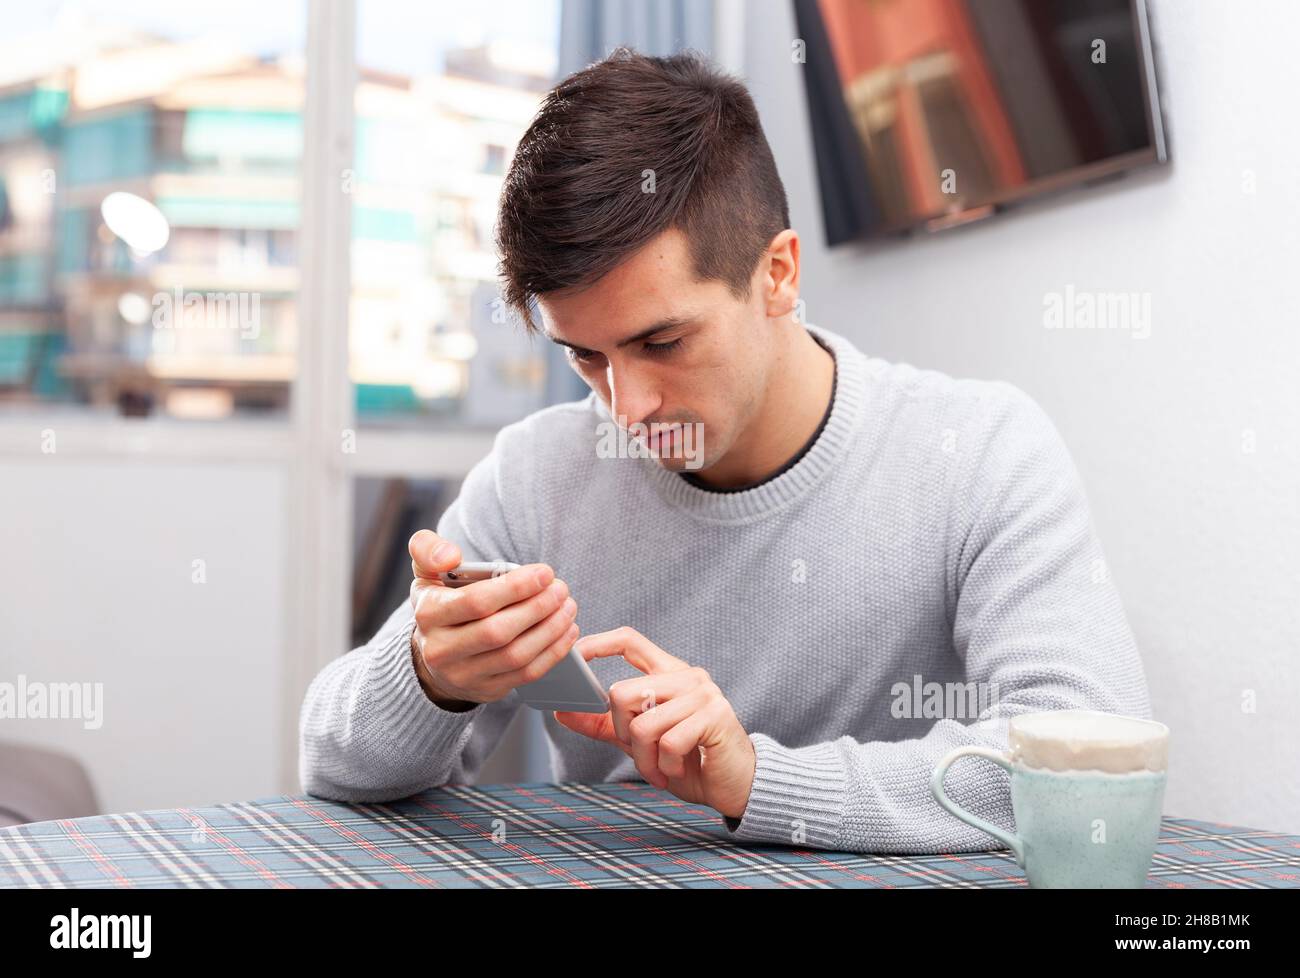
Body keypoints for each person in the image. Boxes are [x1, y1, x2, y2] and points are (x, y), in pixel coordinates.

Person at [298, 47, 1151, 854]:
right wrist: (429, 674)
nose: (627, 407)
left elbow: (1088, 758)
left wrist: (762, 781)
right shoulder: (539, 474)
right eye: (586, 356)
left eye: (662, 342)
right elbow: (333, 768)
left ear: (777, 275)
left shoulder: (980, 452)